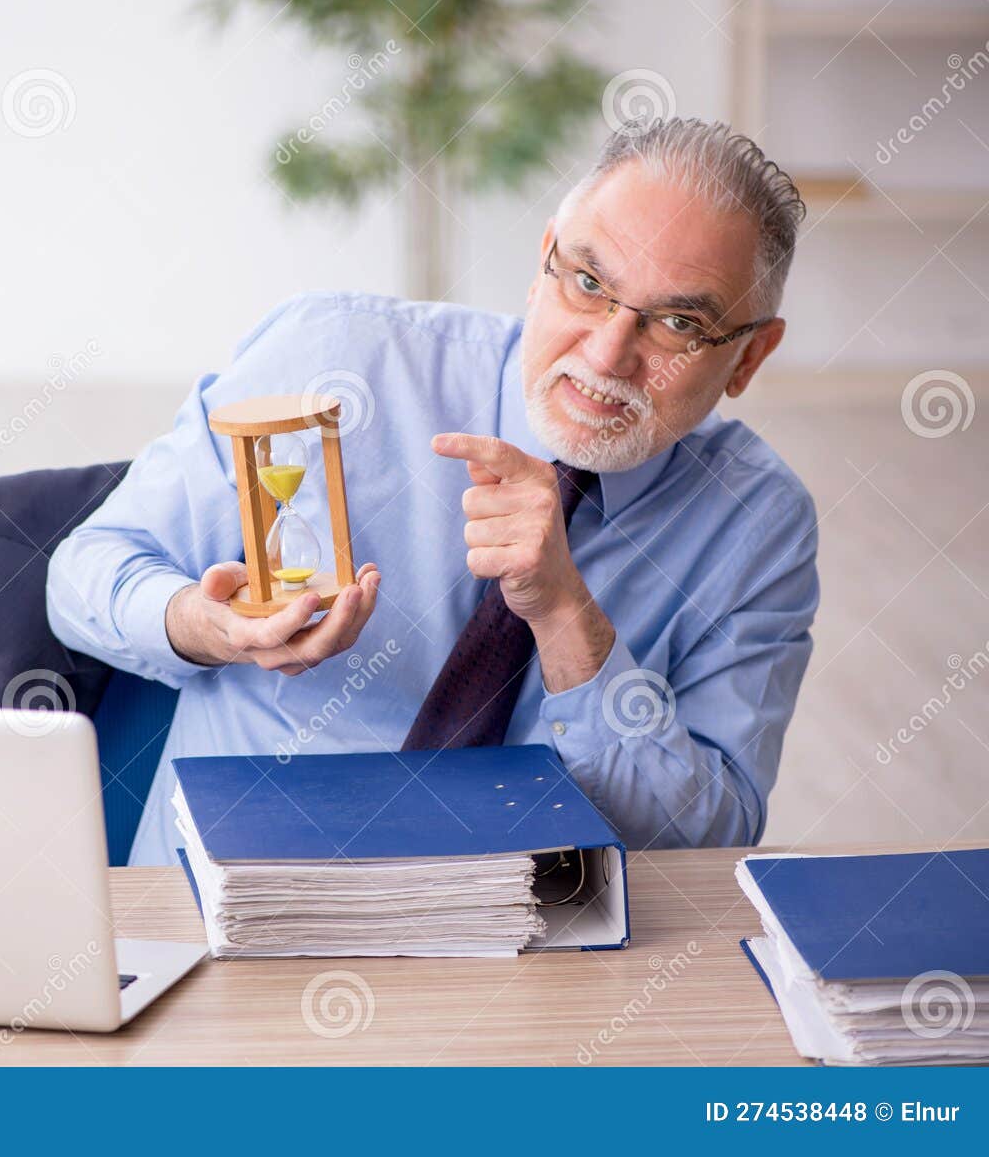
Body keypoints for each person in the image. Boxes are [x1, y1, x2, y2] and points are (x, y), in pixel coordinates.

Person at [47, 118, 819, 865]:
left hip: (528, 950)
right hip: (238, 908)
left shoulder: (758, 523)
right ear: (545, 257)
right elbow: (84, 572)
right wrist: (204, 624)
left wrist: (564, 617)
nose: (610, 352)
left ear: (750, 357)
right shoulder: (335, 357)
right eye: (588, 284)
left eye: (679, 323)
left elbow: (711, 836)